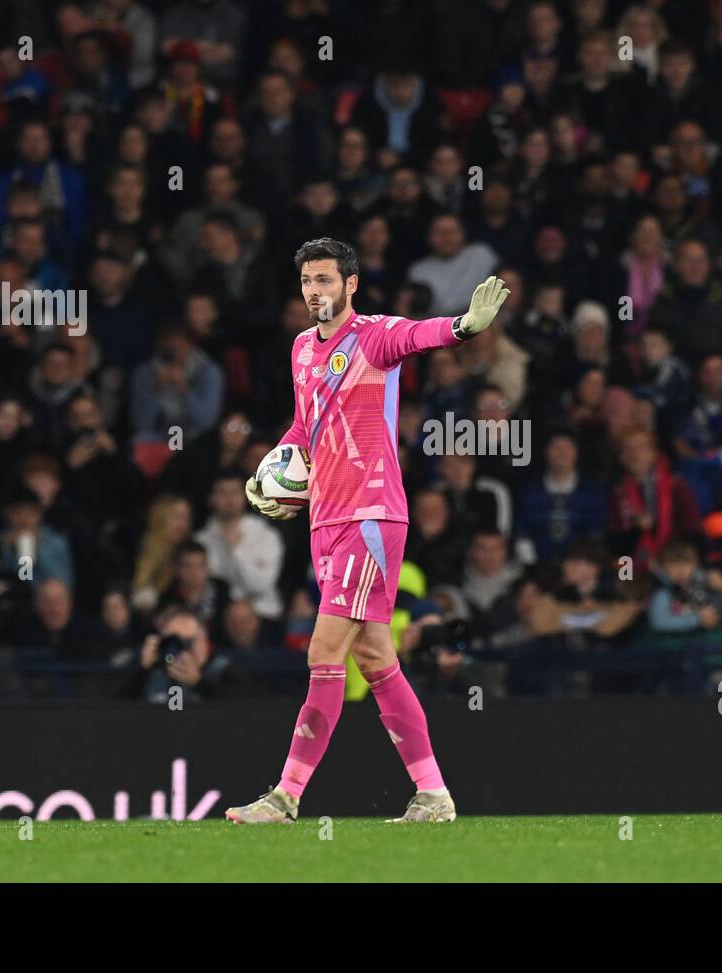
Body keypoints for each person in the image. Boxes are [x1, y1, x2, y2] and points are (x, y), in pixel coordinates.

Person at [224, 237, 508, 825]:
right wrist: (268, 472)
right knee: (377, 658)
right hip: (325, 519)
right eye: (308, 281)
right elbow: (306, 427)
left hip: (371, 518)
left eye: (326, 280)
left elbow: (418, 336)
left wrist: (463, 326)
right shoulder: (302, 349)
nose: (315, 291)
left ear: (351, 285)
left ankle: (286, 796)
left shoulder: (374, 336)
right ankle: (433, 794)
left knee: (325, 650)